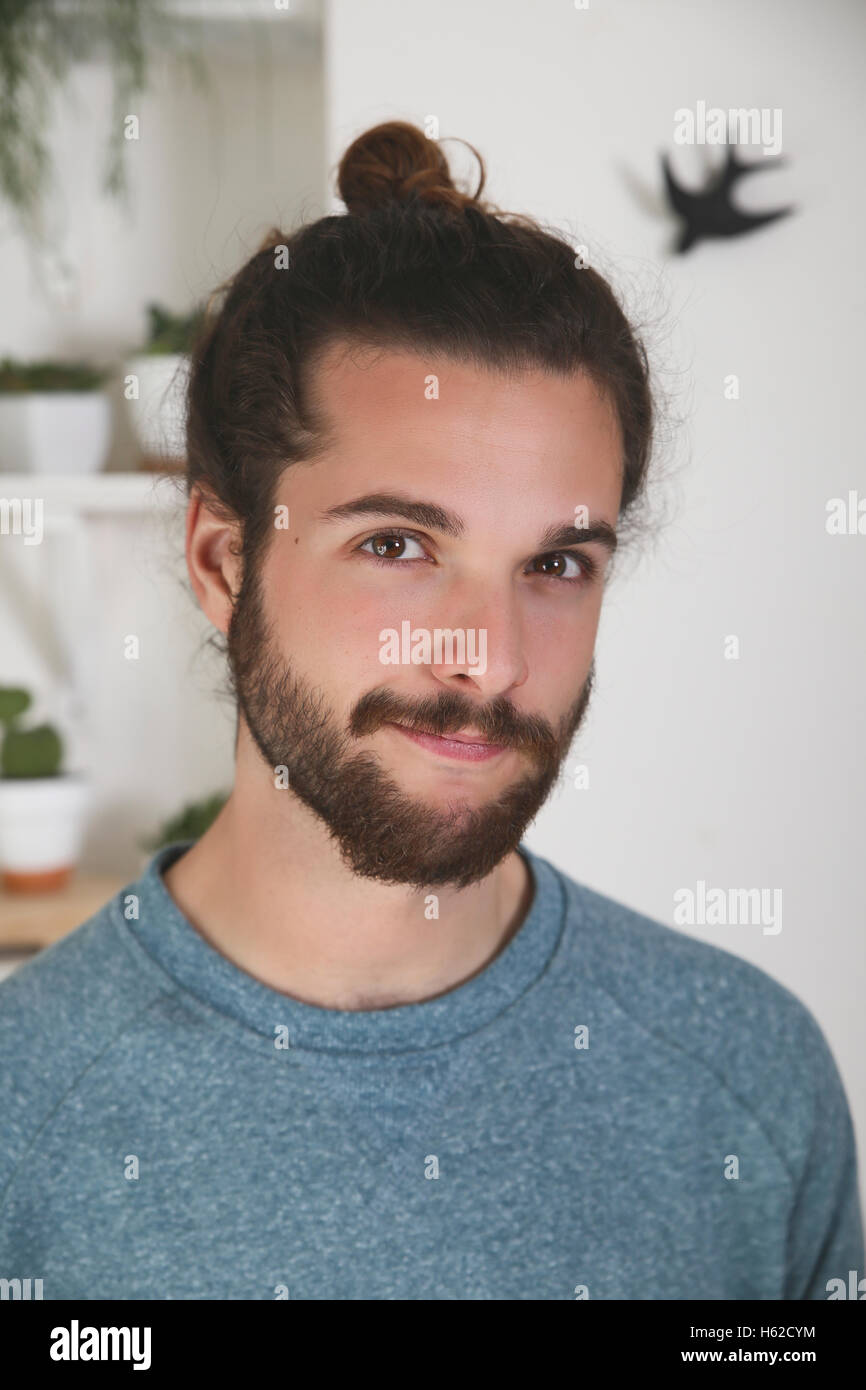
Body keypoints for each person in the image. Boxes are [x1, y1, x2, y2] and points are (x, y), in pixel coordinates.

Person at [0, 122, 861, 1301]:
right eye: (397, 544)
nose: (489, 658)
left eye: (556, 564)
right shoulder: (23, 1112)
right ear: (219, 559)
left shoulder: (749, 1077)